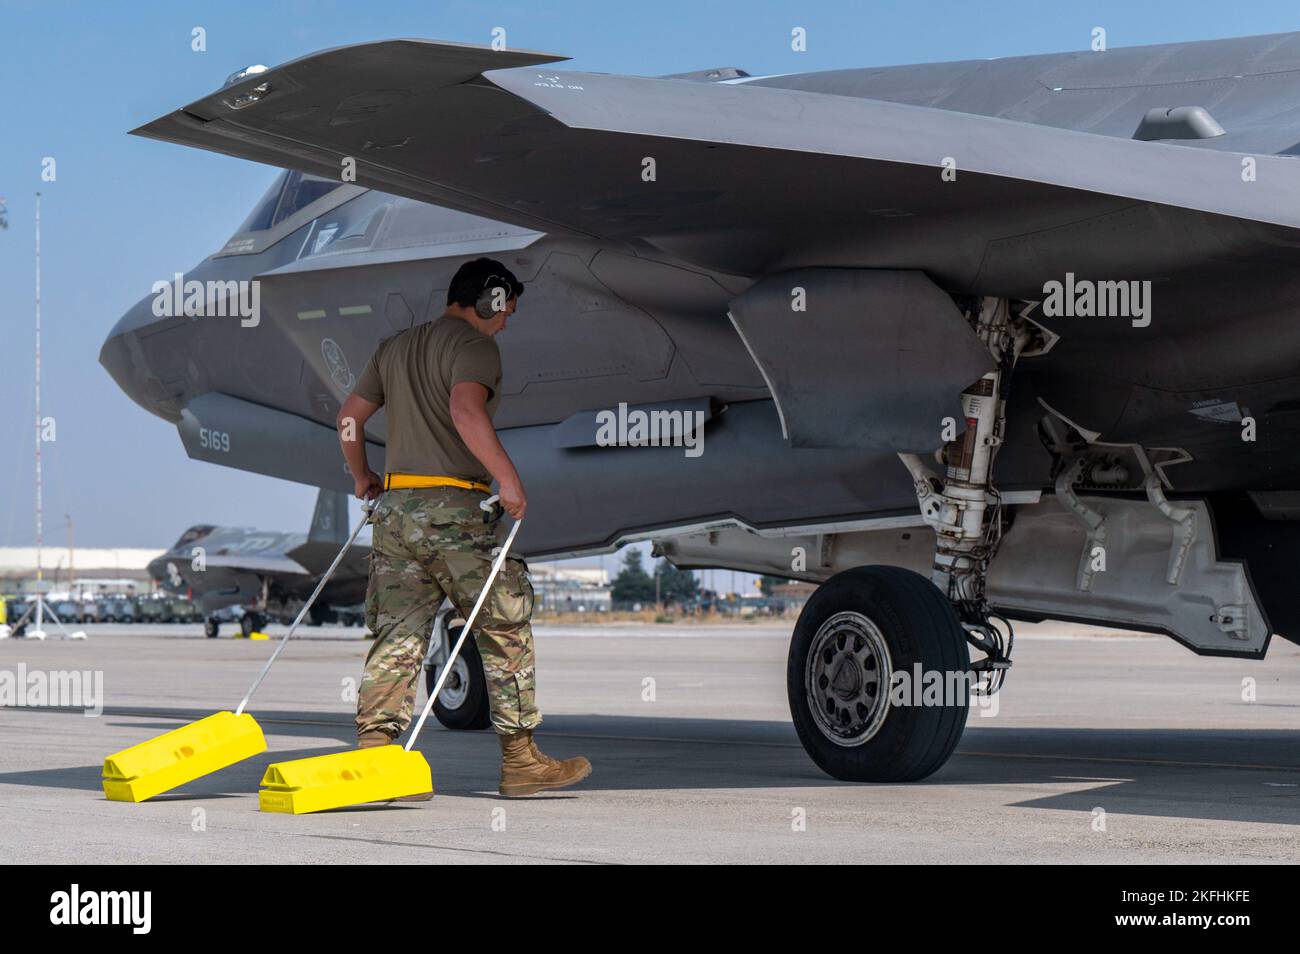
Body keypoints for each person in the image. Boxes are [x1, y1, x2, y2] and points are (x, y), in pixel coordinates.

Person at [335, 257, 591, 797]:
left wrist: (363, 476)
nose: (505, 324)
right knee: (503, 623)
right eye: (506, 312)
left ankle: (374, 758)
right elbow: (465, 410)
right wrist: (509, 480)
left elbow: (349, 418)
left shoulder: (395, 347)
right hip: (454, 511)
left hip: (397, 513)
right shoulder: (475, 347)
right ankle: (521, 763)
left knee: (398, 634)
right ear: (490, 300)